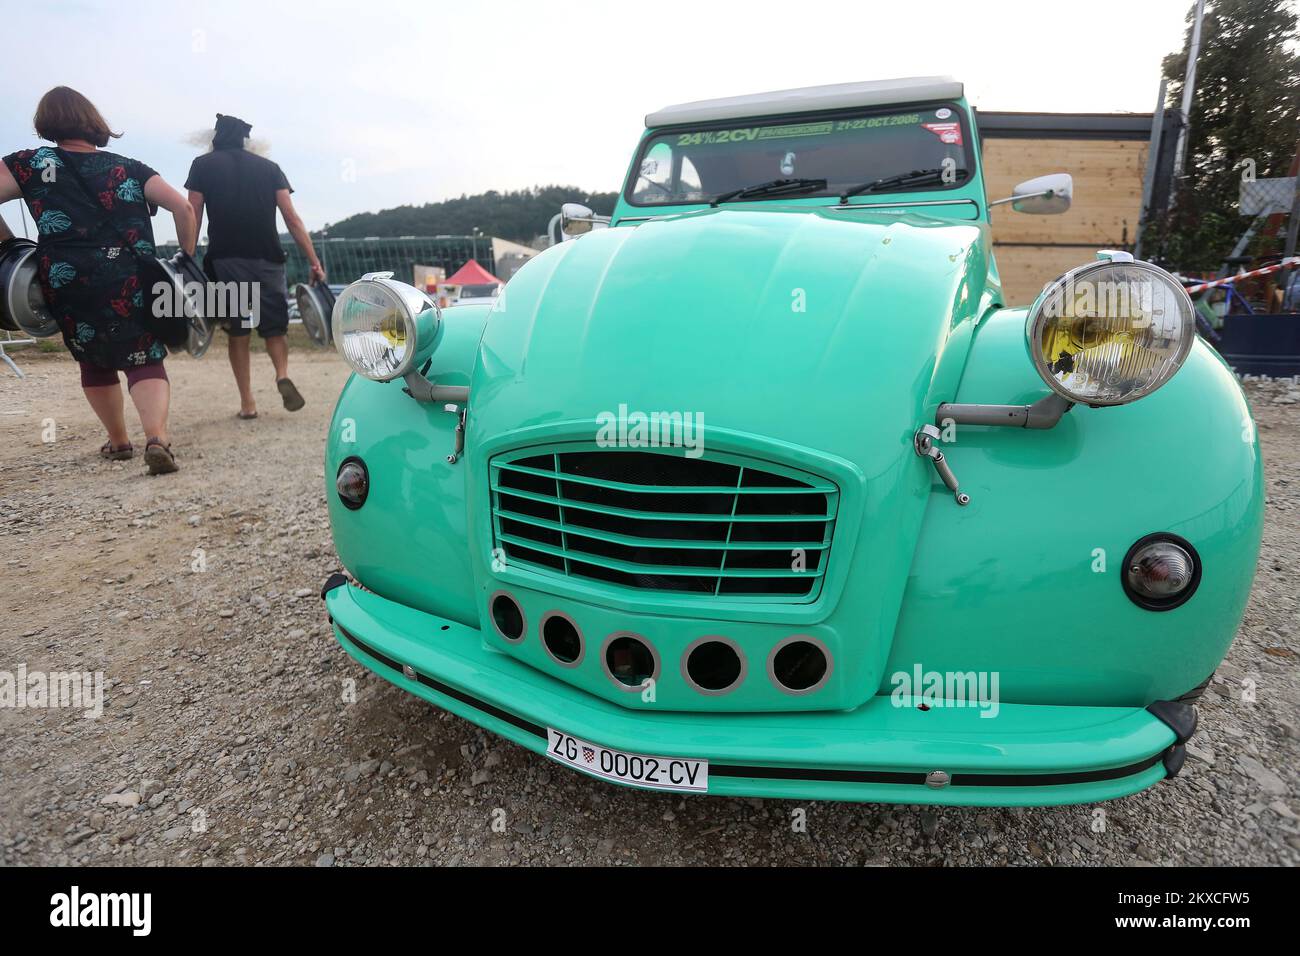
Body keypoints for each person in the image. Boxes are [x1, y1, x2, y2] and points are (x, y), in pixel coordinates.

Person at [0, 87, 197, 474]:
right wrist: (185, 260)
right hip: (132, 275)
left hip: (66, 275)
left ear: (46, 122)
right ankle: (156, 436)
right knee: (144, 354)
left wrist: (8, 244)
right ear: (93, 121)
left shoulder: (30, 163)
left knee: (94, 359)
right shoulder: (131, 167)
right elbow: (184, 207)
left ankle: (120, 441)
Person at [185, 114, 324, 419]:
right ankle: (281, 374)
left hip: (226, 260)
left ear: (216, 138)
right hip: (268, 260)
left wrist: (187, 257)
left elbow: (192, 211)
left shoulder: (203, 165)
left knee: (239, 330)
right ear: (244, 140)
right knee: (274, 328)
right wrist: (314, 261)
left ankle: (248, 403)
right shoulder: (270, 168)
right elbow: (291, 217)